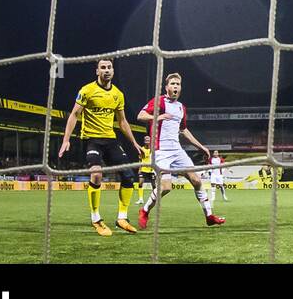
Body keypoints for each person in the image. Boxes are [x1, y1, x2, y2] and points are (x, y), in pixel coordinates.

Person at [57, 59, 142, 236]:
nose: (106, 70)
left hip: (110, 140)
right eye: (103, 68)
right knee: (96, 174)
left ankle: (122, 218)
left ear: (113, 71)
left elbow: (123, 121)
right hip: (91, 140)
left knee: (128, 175)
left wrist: (134, 143)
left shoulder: (118, 94)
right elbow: (74, 115)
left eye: (109, 67)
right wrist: (66, 140)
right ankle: (96, 218)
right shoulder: (86, 90)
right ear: (97, 71)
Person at [136, 73, 225, 228]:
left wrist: (201, 147)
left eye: (178, 84)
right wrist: (156, 117)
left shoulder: (181, 107)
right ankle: (144, 211)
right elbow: (140, 115)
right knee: (166, 187)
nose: (175, 86)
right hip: (161, 151)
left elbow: (183, 130)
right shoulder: (159, 101)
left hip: (177, 150)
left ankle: (209, 216)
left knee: (197, 180)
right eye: (173, 84)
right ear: (166, 87)